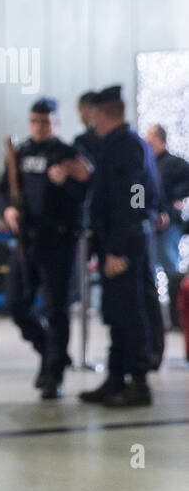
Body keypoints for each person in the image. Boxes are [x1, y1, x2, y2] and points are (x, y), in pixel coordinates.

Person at [0, 98, 87, 399]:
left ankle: (53, 374)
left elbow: (85, 194)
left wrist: (66, 182)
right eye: (34, 121)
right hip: (26, 241)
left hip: (57, 241)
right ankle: (50, 352)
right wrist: (7, 210)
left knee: (56, 308)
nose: (38, 127)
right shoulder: (21, 153)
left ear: (56, 123)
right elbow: (2, 189)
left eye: (44, 122)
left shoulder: (68, 154)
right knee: (15, 304)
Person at [75, 85, 160, 406]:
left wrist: (120, 250)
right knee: (116, 313)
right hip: (115, 242)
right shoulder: (116, 146)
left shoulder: (128, 148)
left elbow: (133, 202)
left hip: (125, 245)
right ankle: (115, 378)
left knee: (129, 314)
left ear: (102, 115)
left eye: (93, 116)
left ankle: (138, 383)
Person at [145, 124, 189, 328]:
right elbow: (139, 192)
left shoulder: (174, 164)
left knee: (171, 270)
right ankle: (155, 318)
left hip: (169, 226)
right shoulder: (146, 163)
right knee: (149, 269)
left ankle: (177, 315)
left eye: (151, 137)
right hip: (150, 225)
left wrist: (174, 200)